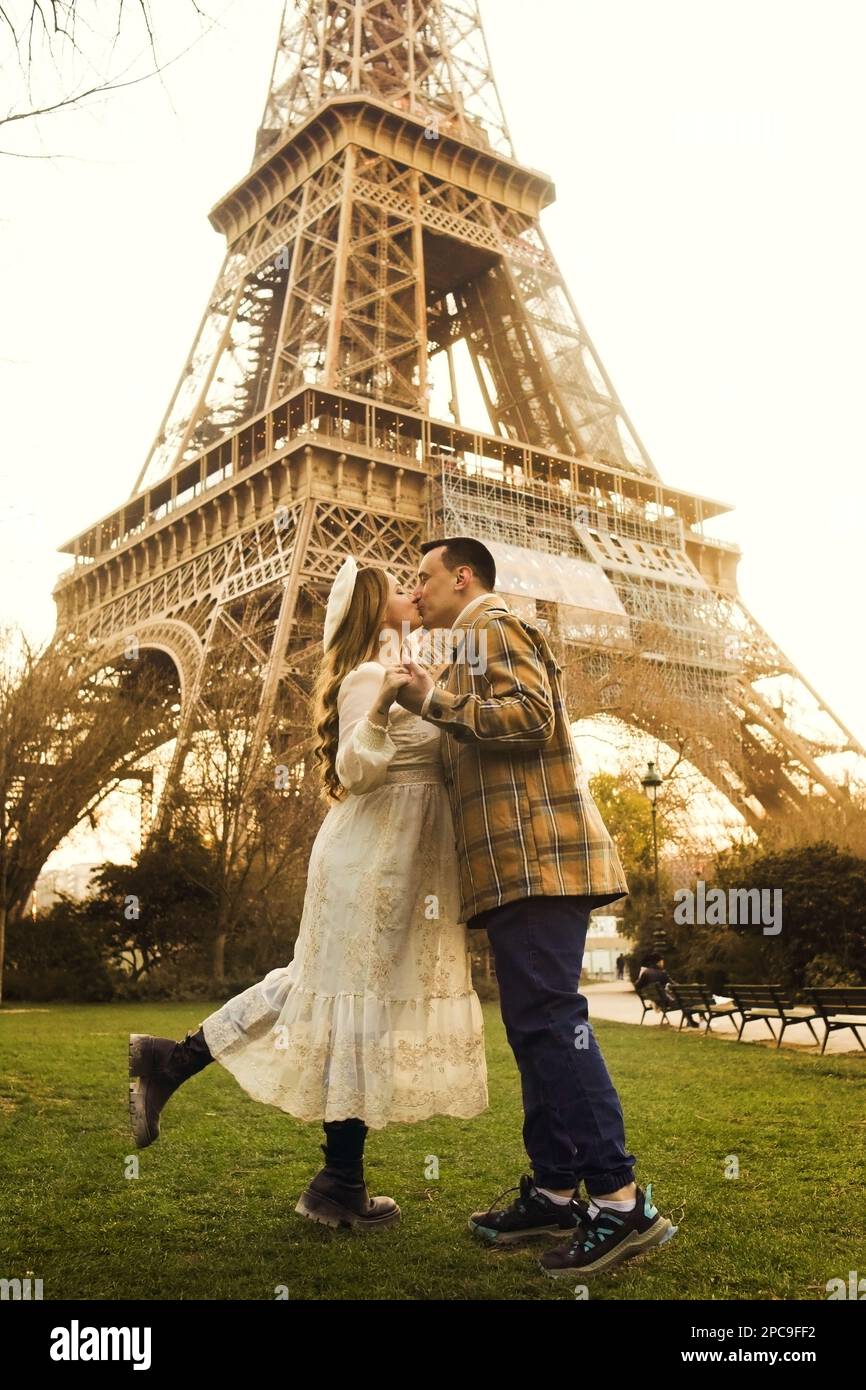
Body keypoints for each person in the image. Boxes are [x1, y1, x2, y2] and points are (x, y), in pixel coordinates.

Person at [128, 558, 488, 1231]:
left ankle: (176, 1069)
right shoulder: (365, 676)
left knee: (344, 1004)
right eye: (395, 584)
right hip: (369, 864)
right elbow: (354, 772)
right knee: (341, 1003)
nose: (411, 588)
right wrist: (384, 703)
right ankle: (335, 1182)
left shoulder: (410, 668)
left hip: (404, 864)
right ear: (372, 606)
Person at [395, 537, 677, 1279]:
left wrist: (432, 701)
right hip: (515, 870)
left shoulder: (491, 626)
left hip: (540, 864)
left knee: (553, 1024)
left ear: (463, 577)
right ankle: (556, 1189)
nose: (413, 591)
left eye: (422, 578)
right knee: (534, 1031)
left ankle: (620, 1201)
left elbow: (533, 717)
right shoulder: (467, 647)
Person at [635, 955, 700, 1028]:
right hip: (666, 1002)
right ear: (659, 962)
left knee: (683, 1000)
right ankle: (690, 1021)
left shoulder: (646, 972)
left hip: (657, 1000)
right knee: (686, 1000)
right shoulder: (662, 973)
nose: (663, 963)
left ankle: (690, 1021)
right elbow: (674, 985)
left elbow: (637, 986)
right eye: (662, 961)